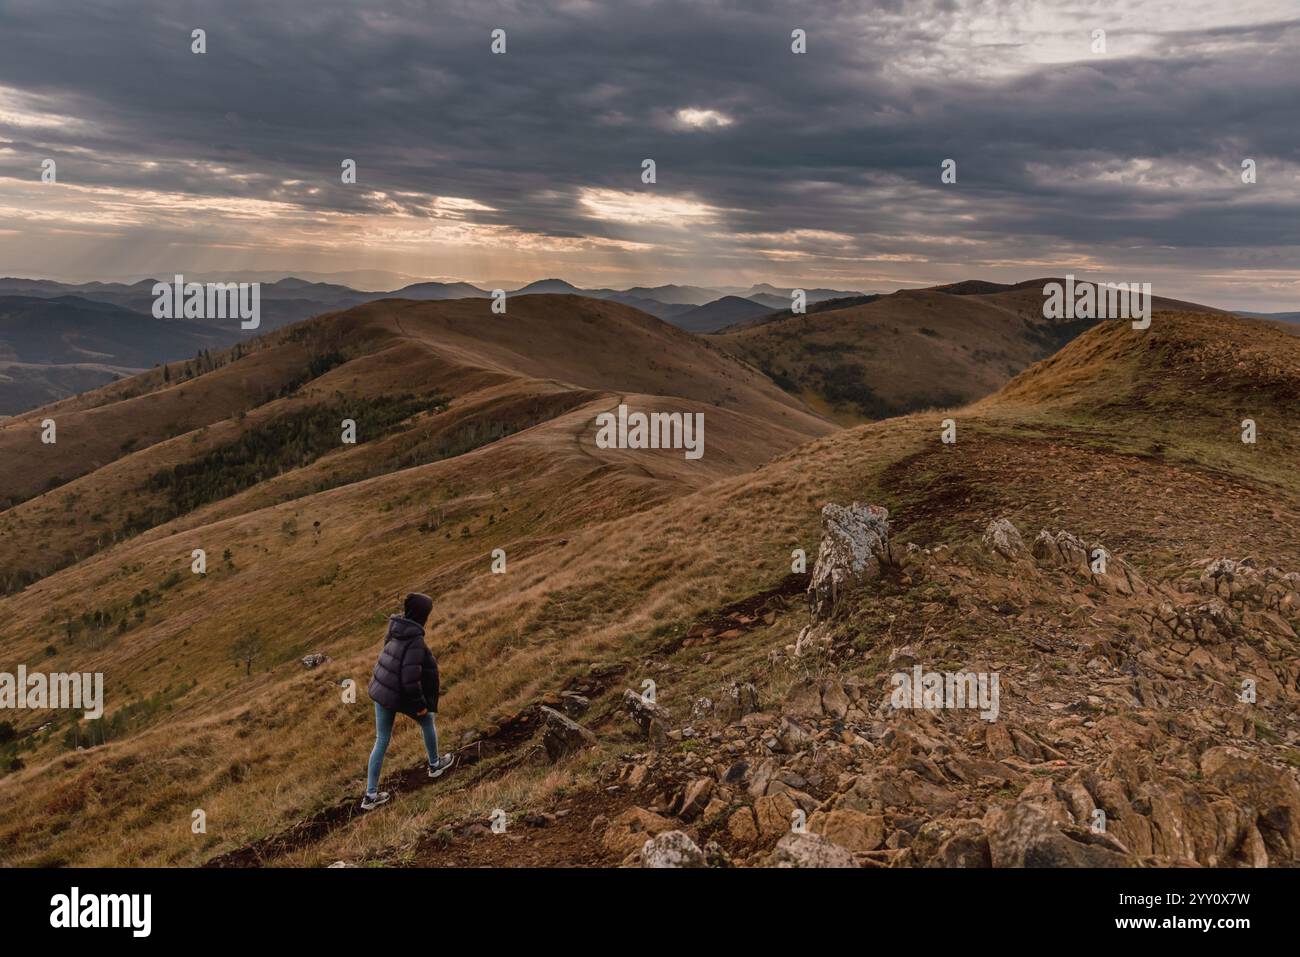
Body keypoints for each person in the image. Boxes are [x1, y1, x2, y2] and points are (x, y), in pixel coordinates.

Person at [361, 592, 453, 809]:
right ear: (422, 615)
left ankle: (370, 796)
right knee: (427, 721)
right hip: (398, 693)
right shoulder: (415, 640)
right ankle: (435, 765)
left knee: (381, 739)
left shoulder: (395, 629)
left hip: (381, 689)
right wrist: (420, 706)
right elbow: (410, 680)